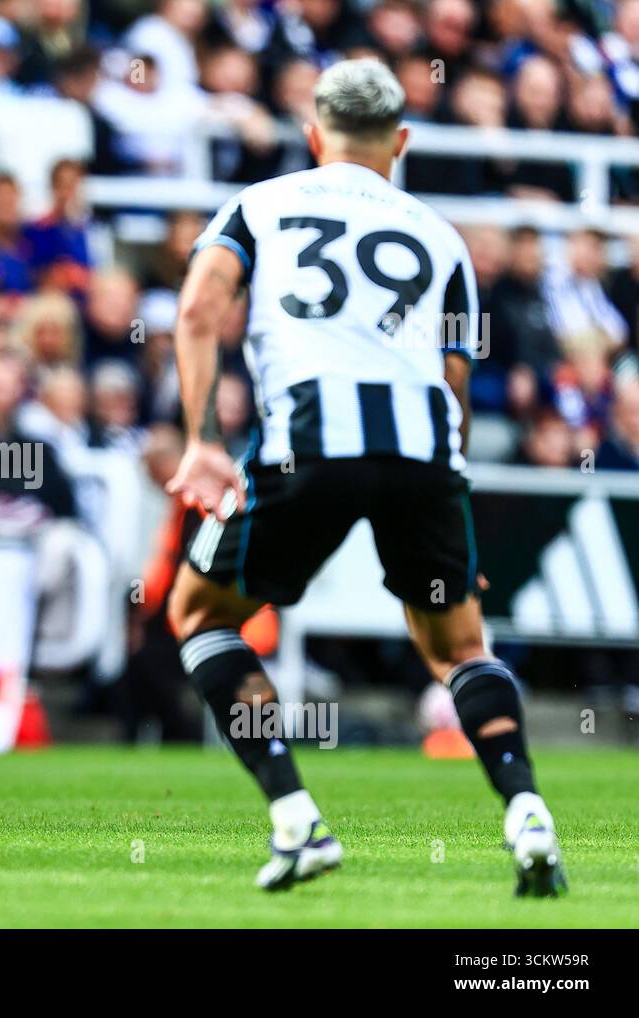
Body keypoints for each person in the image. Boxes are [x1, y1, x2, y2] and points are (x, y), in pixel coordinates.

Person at [163, 59, 566, 896]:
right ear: (403, 142)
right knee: (459, 648)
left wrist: (202, 440)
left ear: (314, 137)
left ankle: (294, 819)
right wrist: (454, 523)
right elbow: (454, 391)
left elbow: (199, 312)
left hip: (309, 438)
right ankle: (527, 811)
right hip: (423, 453)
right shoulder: (443, 236)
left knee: (199, 613)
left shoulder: (260, 204)